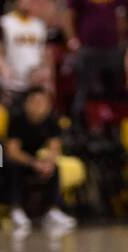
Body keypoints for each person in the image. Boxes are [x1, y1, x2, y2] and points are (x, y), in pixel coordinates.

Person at [5, 86, 75, 235]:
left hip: (39, 159)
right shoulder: (16, 118)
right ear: (26, 103)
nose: (39, 106)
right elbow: (13, 151)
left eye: (43, 102)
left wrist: (48, 163)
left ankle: (53, 210)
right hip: (18, 158)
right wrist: (34, 163)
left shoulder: (52, 119)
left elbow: (54, 147)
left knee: (55, 168)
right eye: (35, 101)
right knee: (11, 166)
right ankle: (16, 209)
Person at [0, 0, 52, 105]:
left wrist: (44, 71)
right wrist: (2, 67)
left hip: (33, 82)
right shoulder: (4, 23)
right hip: (11, 80)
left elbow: (44, 53)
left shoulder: (39, 25)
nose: (26, 2)